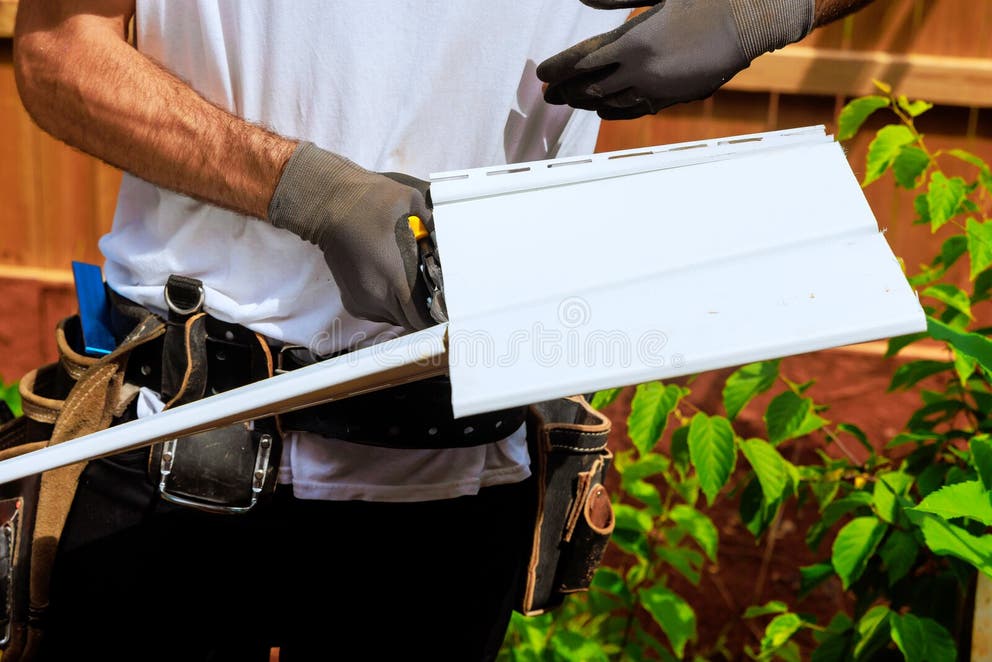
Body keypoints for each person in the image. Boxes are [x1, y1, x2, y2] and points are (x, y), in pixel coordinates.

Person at [11, 1, 874, 660]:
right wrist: (307, 192)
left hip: (458, 473)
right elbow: (60, 49)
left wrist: (758, 10)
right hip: (170, 436)